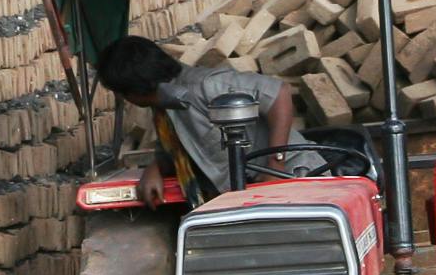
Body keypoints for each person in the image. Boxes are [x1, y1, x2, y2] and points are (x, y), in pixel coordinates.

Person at [95, 35, 313, 201]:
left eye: (121, 93)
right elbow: (184, 152)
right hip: (248, 194)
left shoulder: (205, 86)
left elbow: (278, 94)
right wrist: (154, 169)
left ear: (134, 90)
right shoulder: (164, 109)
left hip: (300, 180)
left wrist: (275, 165)